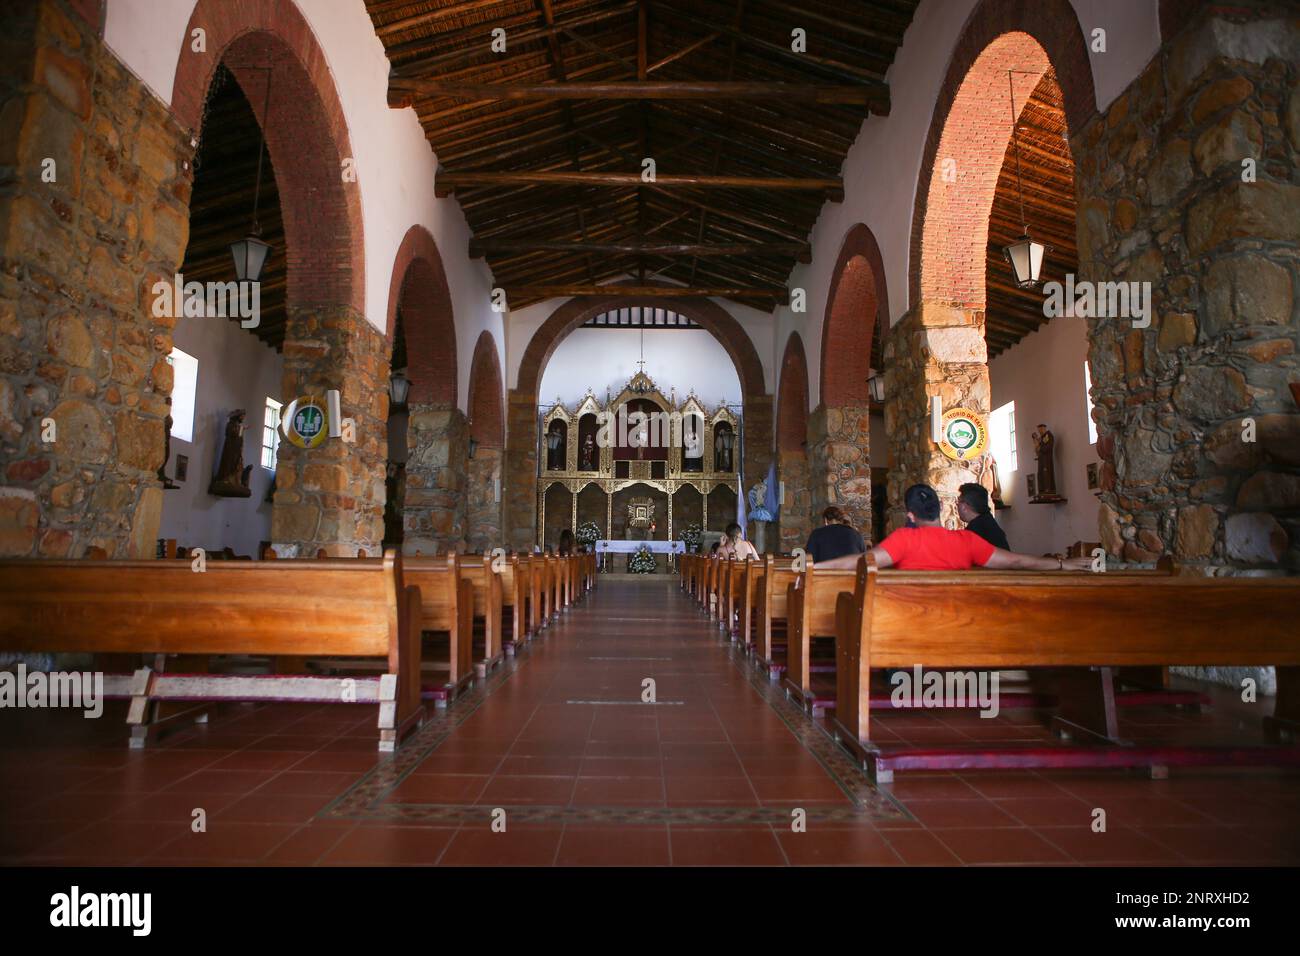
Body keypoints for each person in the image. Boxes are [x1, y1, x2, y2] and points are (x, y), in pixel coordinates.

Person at [814, 484, 1091, 571]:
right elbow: (1018, 560)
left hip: (911, 635)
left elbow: (861, 562)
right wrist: (1065, 564)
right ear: (941, 510)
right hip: (960, 631)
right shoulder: (967, 541)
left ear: (910, 515)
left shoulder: (904, 540)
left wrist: (815, 568)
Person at [957, 482, 1009, 551]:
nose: (957, 505)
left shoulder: (975, 531)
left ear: (964, 507)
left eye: (959, 501)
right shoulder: (987, 521)